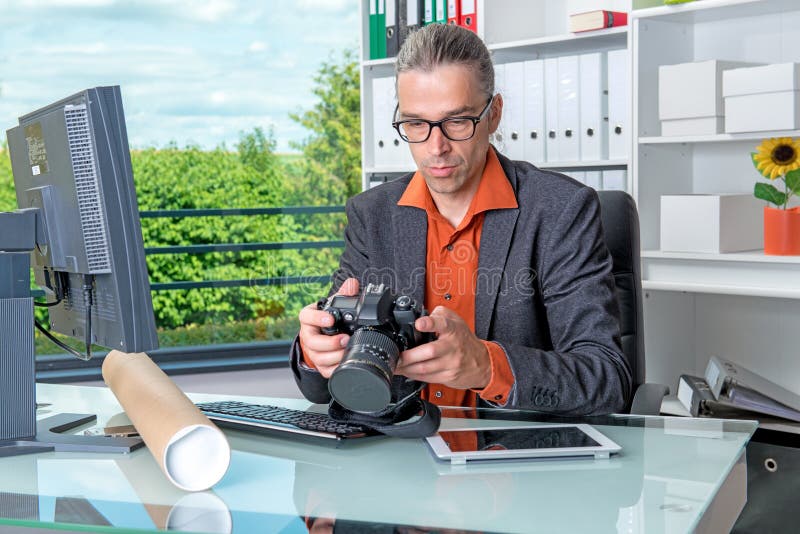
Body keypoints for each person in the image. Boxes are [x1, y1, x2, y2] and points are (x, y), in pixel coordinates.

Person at [290, 23, 631, 415]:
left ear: (494, 114)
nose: (437, 147)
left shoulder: (561, 210)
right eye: (416, 123)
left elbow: (607, 380)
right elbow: (320, 389)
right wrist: (316, 352)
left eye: (457, 121)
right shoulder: (372, 215)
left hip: (518, 459)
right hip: (403, 455)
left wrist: (485, 366)